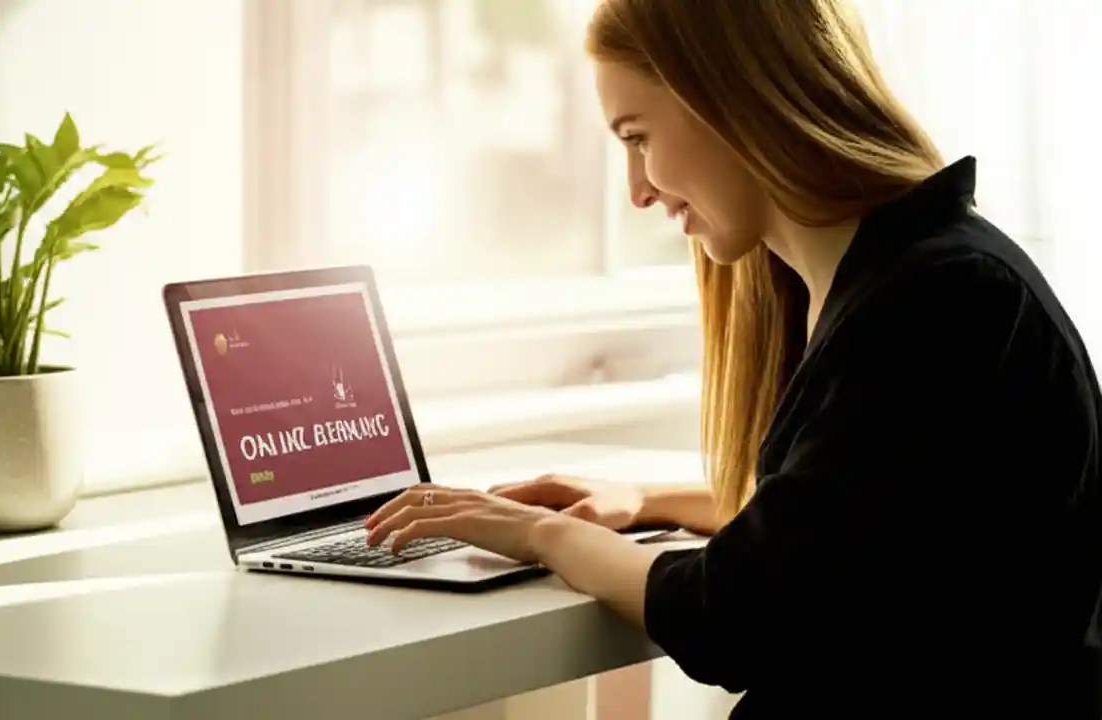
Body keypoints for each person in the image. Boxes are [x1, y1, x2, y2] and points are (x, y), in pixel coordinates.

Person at [365, 0, 1102, 716]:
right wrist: (644, 500)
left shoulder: (941, 303)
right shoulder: (892, 279)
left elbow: (731, 615)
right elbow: (850, 521)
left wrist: (541, 534)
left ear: (729, 97)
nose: (638, 190)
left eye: (637, 137)